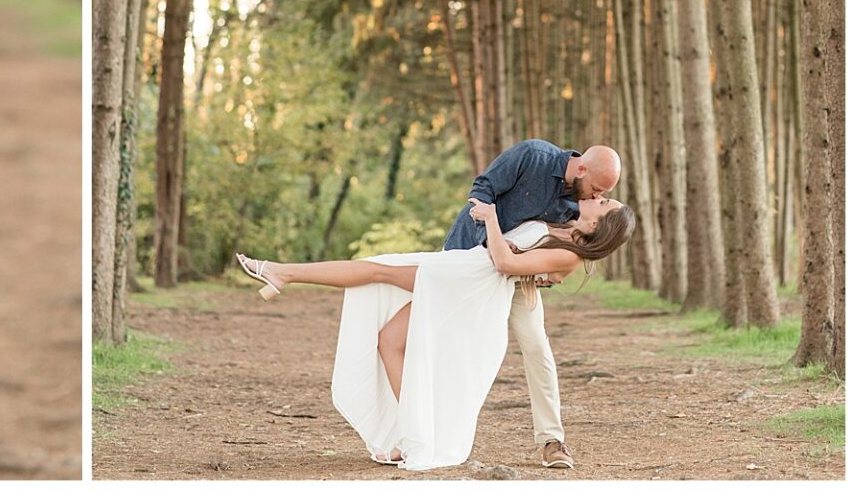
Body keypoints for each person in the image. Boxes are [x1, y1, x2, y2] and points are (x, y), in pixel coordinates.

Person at [237, 194, 634, 471]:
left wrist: (492, 219)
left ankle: (282, 271)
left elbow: (502, 263)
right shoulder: (561, 225)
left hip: (471, 279)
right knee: (390, 340)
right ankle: (412, 431)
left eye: (603, 203)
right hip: (466, 270)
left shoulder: (569, 256)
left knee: (377, 269)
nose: (598, 198)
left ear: (599, 222)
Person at [442, 139, 621, 469]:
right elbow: (482, 190)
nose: (596, 197)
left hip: (517, 278)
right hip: (471, 260)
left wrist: (547, 272)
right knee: (455, 346)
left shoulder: (578, 208)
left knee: (537, 346)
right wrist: (477, 254)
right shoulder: (533, 156)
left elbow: (554, 248)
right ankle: (437, 429)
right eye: (596, 189)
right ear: (581, 168)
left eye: (601, 195)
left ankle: (552, 441)